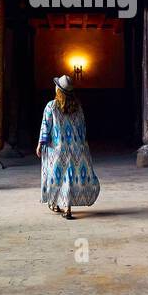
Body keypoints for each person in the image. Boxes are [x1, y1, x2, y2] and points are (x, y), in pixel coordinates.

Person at [37, 74, 100, 219]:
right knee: (70, 177)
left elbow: (45, 127)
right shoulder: (77, 108)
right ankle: (67, 208)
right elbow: (83, 128)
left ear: (58, 90)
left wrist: (40, 143)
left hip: (57, 148)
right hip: (76, 148)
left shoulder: (51, 106)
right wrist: (83, 146)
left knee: (57, 176)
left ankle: (56, 203)